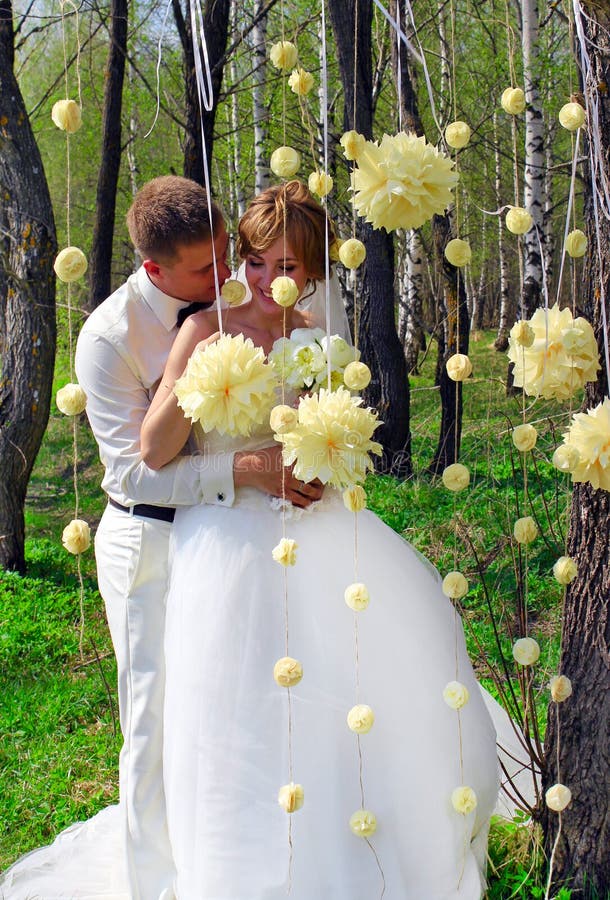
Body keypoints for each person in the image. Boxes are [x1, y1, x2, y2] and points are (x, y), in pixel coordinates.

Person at [141, 180, 501, 899]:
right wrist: (206, 391)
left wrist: (320, 455)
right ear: (240, 259)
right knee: (237, 702)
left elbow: (336, 439)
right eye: (261, 263)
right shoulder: (204, 330)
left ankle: (339, 842)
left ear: (313, 272)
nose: (276, 281)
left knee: (336, 687)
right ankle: (239, 868)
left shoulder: (318, 339)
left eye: (294, 268)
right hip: (230, 541)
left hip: (314, 528)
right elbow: (154, 451)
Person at [0, 175, 321, 900]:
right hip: (146, 543)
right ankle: (153, 886)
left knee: (227, 709)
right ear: (155, 270)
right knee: (152, 722)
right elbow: (134, 475)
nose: (229, 281)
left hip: (229, 540)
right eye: (209, 271)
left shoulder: (235, 307)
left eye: (226, 260)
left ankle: (229, 861)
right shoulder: (110, 341)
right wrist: (244, 469)